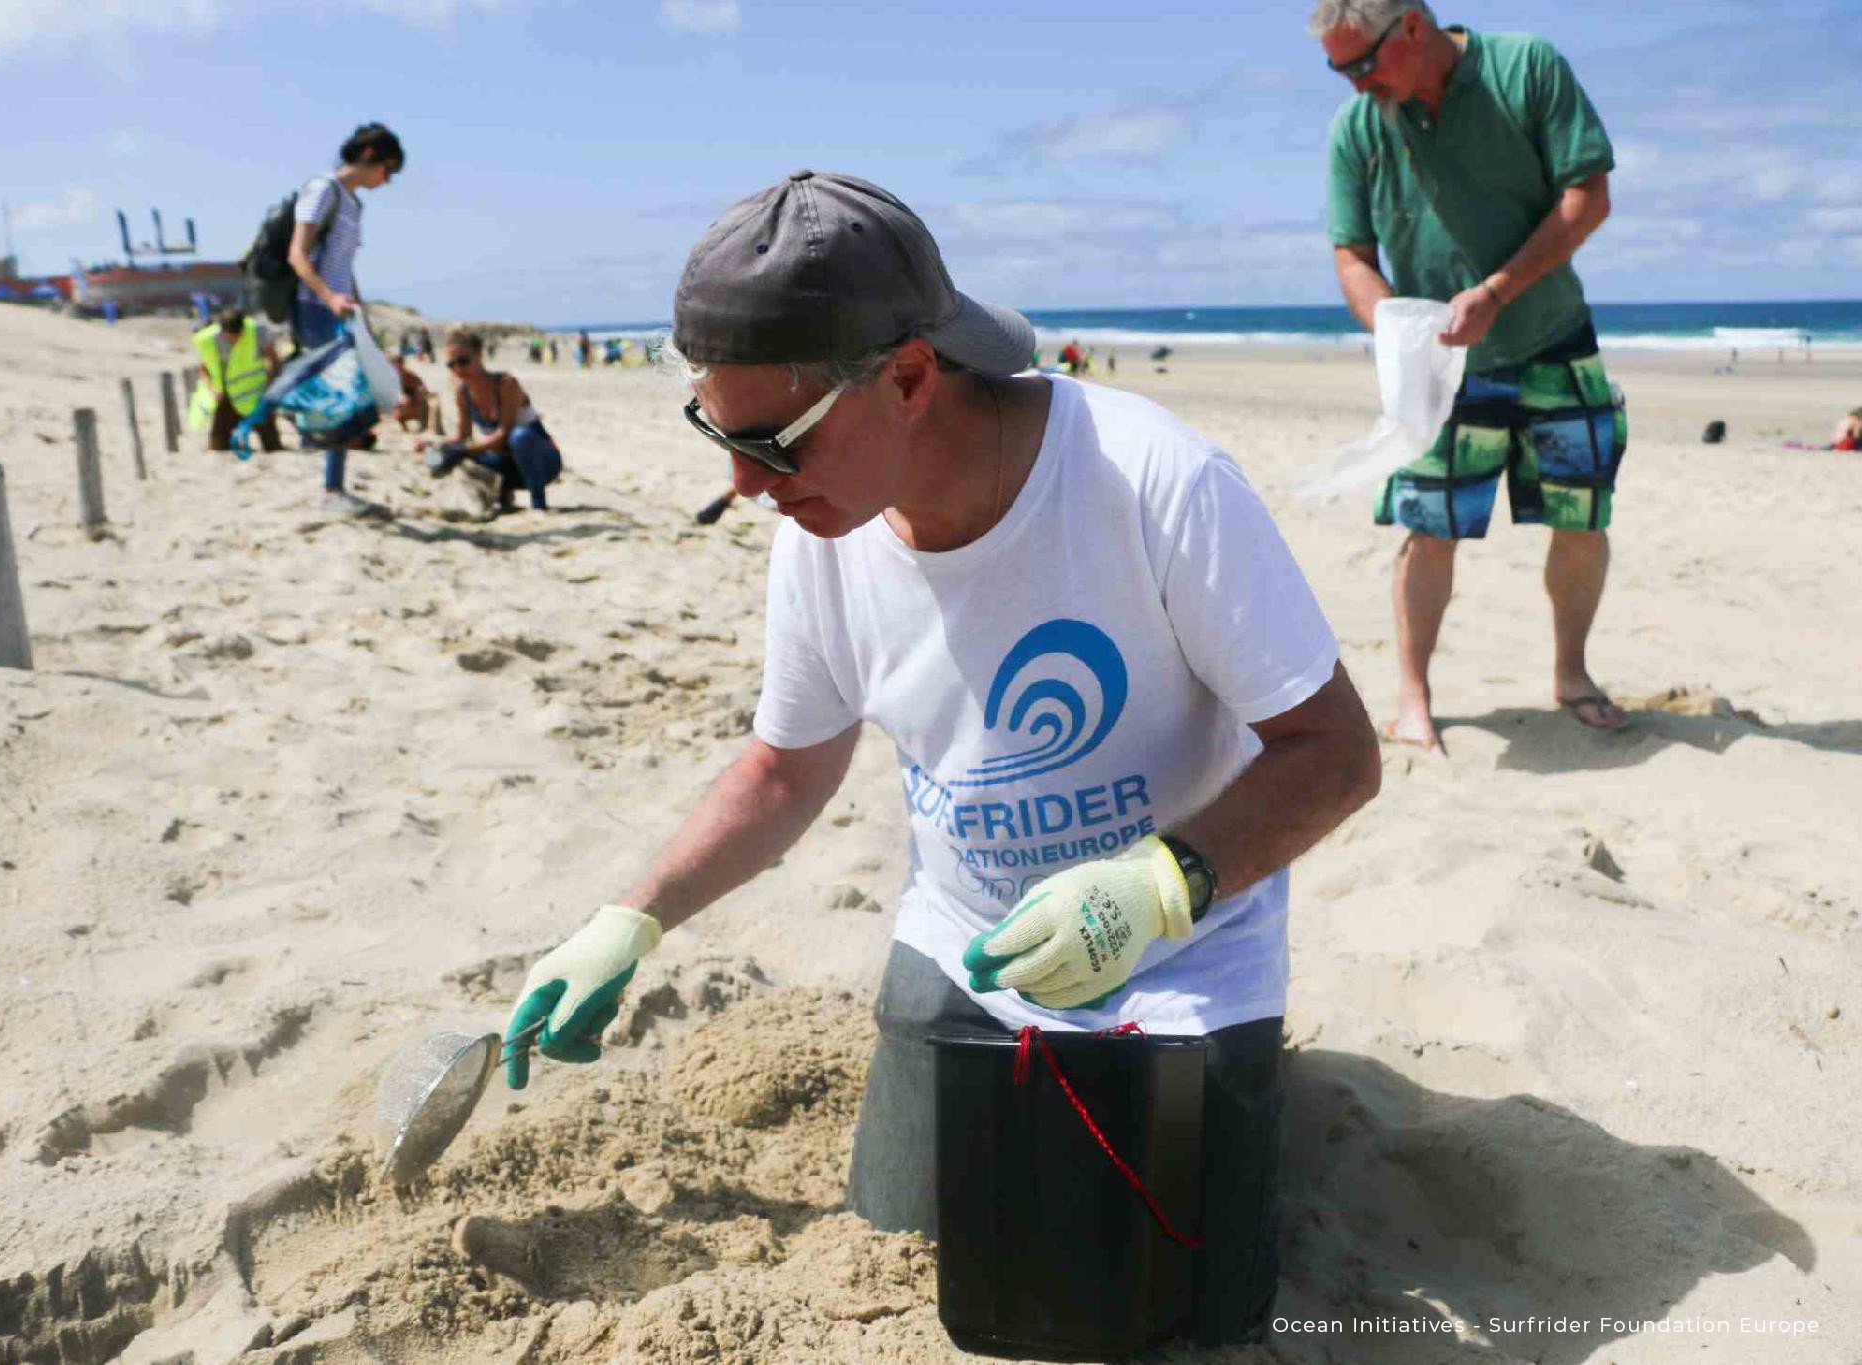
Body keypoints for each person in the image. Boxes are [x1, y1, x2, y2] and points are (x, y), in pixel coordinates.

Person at [501, 170, 1380, 1346]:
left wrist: (1154, 886)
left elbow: (1335, 754)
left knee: (1167, 1310)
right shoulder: (822, 529)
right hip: (965, 950)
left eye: (767, 442)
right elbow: (783, 771)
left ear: (910, 377)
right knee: (911, 1235)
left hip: (1180, 953)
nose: (742, 487)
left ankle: (1251, 1080)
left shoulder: (1149, 481)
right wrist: (634, 918)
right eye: (717, 433)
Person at [1316, 0, 1628, 749]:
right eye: (1338, 69)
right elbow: (1352, 255)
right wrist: (1397, 330)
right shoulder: (1357, 128)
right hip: (1439, 367)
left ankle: (1572, 673)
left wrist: (1496, 293)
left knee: (1581, 517)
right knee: (1429, 528)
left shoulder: (1526, 68)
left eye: (1363, 64)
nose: (1355, 84)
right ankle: (1414, 695)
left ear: (1412, 26)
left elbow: (1588, 198)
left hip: (1554, 338)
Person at [286, 121, 403, 516]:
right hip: (315, 306)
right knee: (343, 394)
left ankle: (333, 484)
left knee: (349, 394)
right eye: (388, 169)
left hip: (341, 310)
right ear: (369, 156)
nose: (387, 181)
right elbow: (297, 254)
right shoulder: (322, 189)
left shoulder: (353, 203)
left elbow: (342, 263)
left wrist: (357, 305)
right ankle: (330, 487)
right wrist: (328, 295)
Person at [419, 325, 562, 511]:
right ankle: (502, 495)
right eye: (451, 364)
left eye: (463, 361)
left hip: (542, 462)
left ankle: (539, 504)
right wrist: (436, 446)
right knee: (461, 457)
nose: (458, 369)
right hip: (508, 464)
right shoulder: (463, 393)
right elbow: (463, 437)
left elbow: (503, 434)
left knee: (520, 437)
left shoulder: (506, 384)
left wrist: (463, 450)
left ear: (479, 354)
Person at [193, 305, 282, 453]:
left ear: (242, 329)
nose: (234, 340)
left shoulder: (257, 332)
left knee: (273, 446)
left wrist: (270, 387)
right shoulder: (210, 340)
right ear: (222, 331)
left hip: (257, 396)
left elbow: (273, 360)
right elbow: (204, 368)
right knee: (218, 446)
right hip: (226, 397)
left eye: (237, 336)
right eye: (230, 337)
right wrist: (213, 389)